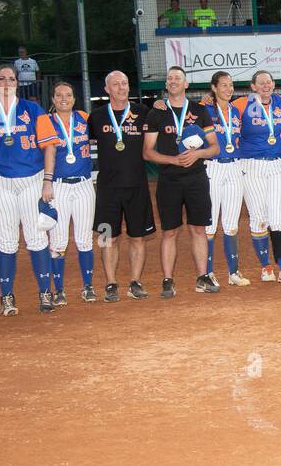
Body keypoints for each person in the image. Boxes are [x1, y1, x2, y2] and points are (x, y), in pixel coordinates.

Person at [0, 64, 57, 313]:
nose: (6, 83)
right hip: (0, 182)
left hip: (32, 180)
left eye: (11, 79)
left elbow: (50, 147)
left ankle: (45, 293)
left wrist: (47, 180)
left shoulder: (32, 109)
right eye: (1, 78)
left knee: (36, 237)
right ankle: (6, 297)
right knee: (6, 240)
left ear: (17, 83)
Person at [144, 66, 218, 297]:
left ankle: (202, 277)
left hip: (196, 178)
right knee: (169, 232)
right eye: (170, 79)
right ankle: (168, 280)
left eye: (178, 78)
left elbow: (214, 146)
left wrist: (197, 154)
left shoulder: (200, 110)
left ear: (186, 84)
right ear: (166, 85)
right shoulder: (156, 112)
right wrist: (172, 160)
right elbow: (147, 152)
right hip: (169, 180)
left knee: (199, 229)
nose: (173, 81)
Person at [92, 70, 154, 301]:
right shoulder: (96, 116)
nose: (121, 88)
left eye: (125, 83)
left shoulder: (142, 113)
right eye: (116, 84)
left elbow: (166, 117)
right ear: (107, 89)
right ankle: (110, 283)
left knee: (138, 237)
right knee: (108, 238)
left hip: (137, 186)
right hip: (107, 190)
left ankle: (135, 282)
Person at [233, 69, 281, 283]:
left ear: (274, 84)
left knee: (280, 217)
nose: (265, 86)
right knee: (258, 218)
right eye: (261, 83)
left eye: (268, 82)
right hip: (251, 165)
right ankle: (265, 267)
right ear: (253, 87)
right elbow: (217, 112)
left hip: (278, 165)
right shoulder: (242, 104)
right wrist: (208, 99)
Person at [200, 71, 249, 287]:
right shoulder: (203, 110)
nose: (228, 89)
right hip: (212, 168)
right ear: (213, 88)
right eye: (224, 85)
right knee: (209, 224)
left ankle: (234, 272)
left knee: (231, 223)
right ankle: (208, 273)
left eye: (231, 85)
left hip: (234, 167)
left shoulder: (236, 111)